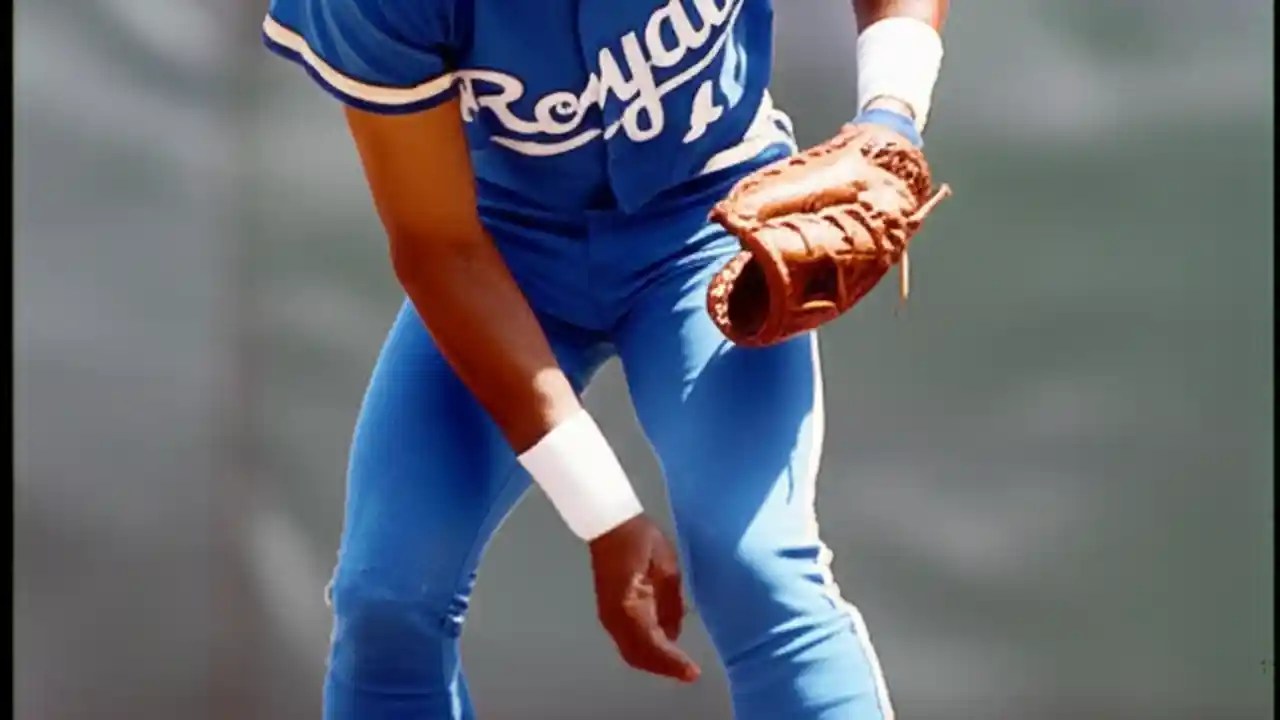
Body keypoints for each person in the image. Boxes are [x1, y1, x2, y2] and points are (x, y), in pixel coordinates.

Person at [260, 0, 948, 717]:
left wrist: (892, 111)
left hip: (711, 214)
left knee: (758, 567)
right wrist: (603, 511)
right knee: (387, 594)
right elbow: (440, 248)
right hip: (499, 248)